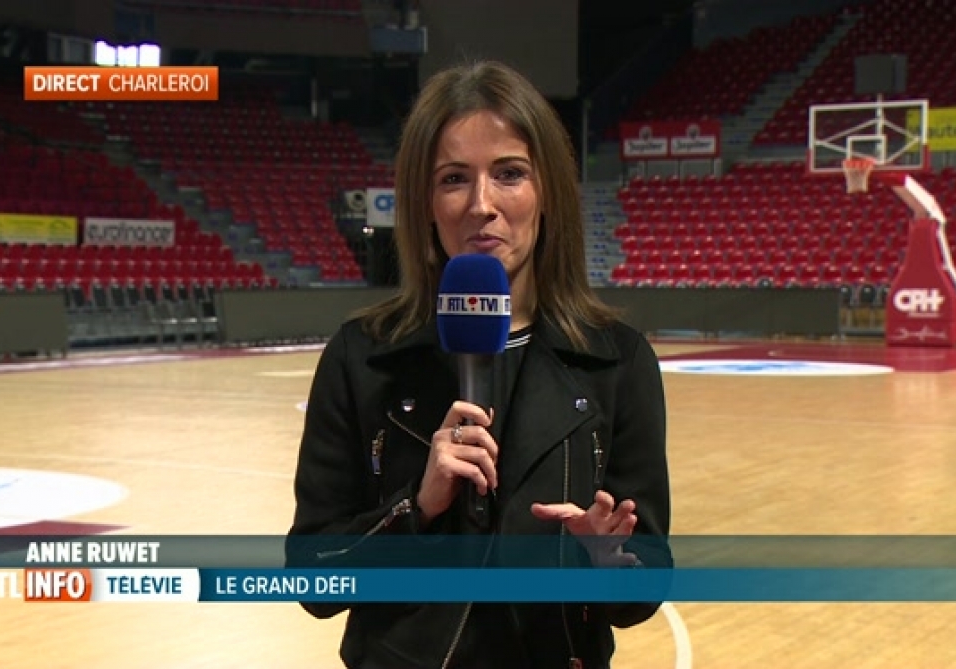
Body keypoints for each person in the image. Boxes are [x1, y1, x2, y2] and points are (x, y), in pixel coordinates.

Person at [287, 60, 672, 669]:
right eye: (453, 179)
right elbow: (312, 577)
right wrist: (416, 508)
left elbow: (643, 590)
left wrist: (608, 561)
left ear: (548, 193)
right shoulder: (361, 356)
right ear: (425, 201)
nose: (481, 204)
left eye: (510, 173)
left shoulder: (618, 361)